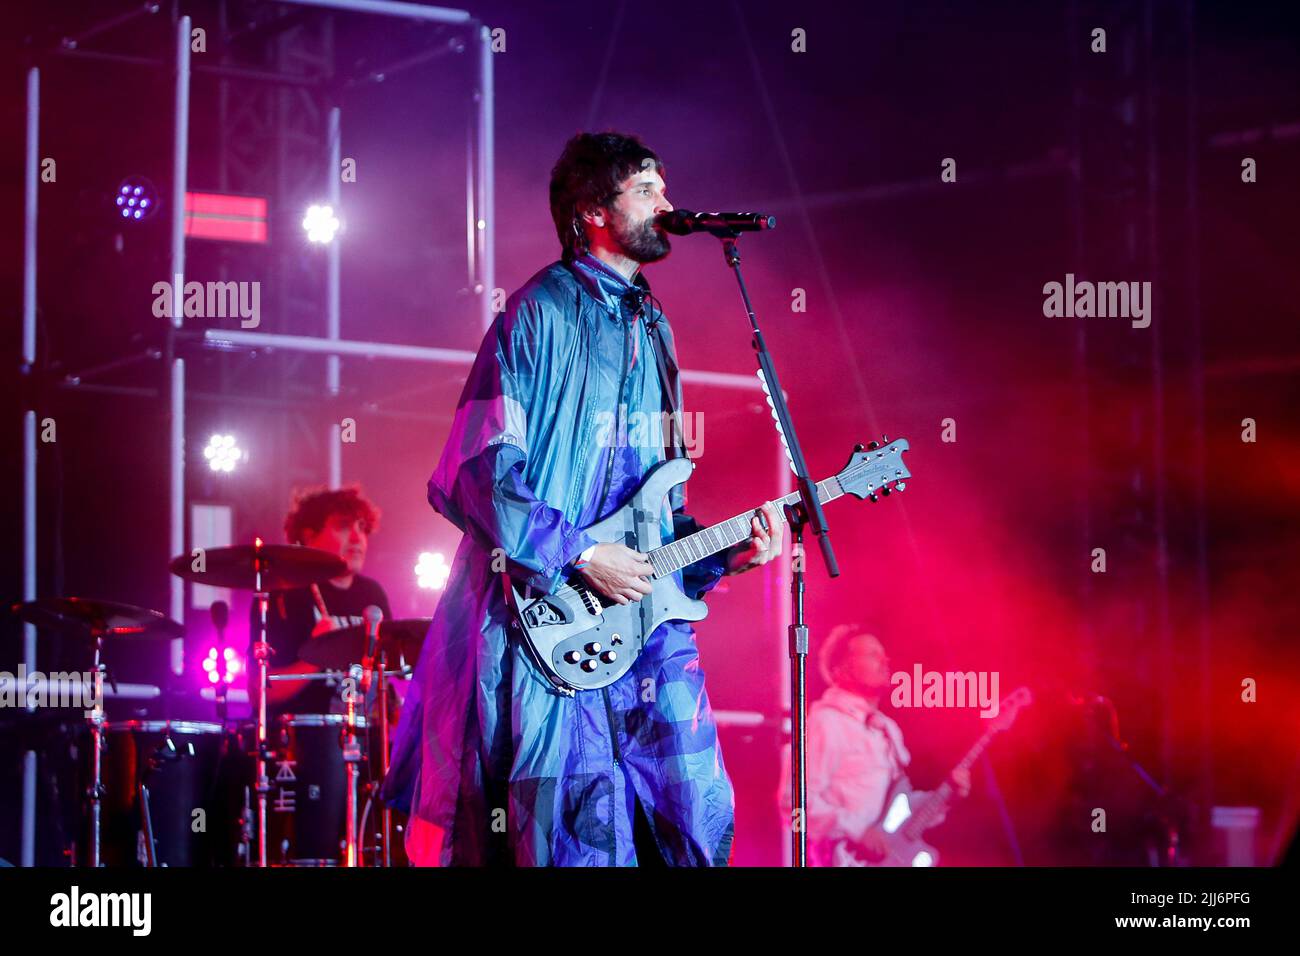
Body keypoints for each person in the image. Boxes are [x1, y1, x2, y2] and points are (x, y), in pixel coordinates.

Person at [383, 131, 781, 866]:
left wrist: (720, 557)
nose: (667, 202)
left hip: (645, 631)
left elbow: (656, 510)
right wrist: (580, 552)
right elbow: (478, 467)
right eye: (646, 189)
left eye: (664, 186)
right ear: (594, 210)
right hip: (547, 617)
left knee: (695, 813)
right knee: (573, 833)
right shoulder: (537, 313)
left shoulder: (653, 326)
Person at [779, 626, 970, 865]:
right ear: (843, 669)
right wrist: (856, 830)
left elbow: (900, 809)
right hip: (845, 858)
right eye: (872, 654)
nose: (884, 660)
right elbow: (793, 802)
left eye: (883, 654)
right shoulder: (827, 723)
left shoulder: (888, 729)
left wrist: (945, 798)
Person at [249, 485, 393, 716]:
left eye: (362, 527)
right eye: (344, 526)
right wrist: (319, 656)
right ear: (309, 536)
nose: (357, 537)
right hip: (301, 733)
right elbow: (260, 693)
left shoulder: (372, 594)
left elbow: (387, 676)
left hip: (362, 729)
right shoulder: (283, 594)